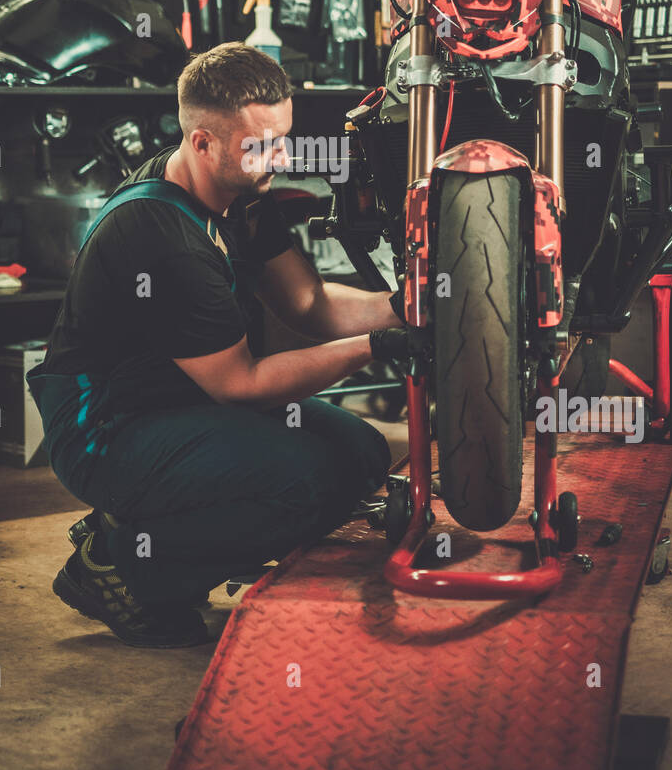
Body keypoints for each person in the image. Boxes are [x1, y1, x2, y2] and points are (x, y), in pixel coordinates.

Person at [28, 43, 402, 648]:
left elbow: (309, 303)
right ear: (201, 142)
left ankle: (169, 528)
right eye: (261, 145)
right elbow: (241, 382)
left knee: (360, 451)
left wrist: (407, 309)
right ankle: (120, 563)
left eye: (284, 137)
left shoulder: (242, 195)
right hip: (106, 430)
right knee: (302, 480)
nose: (279, 156)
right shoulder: (162, 235)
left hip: (182, 403)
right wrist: (377, 346)